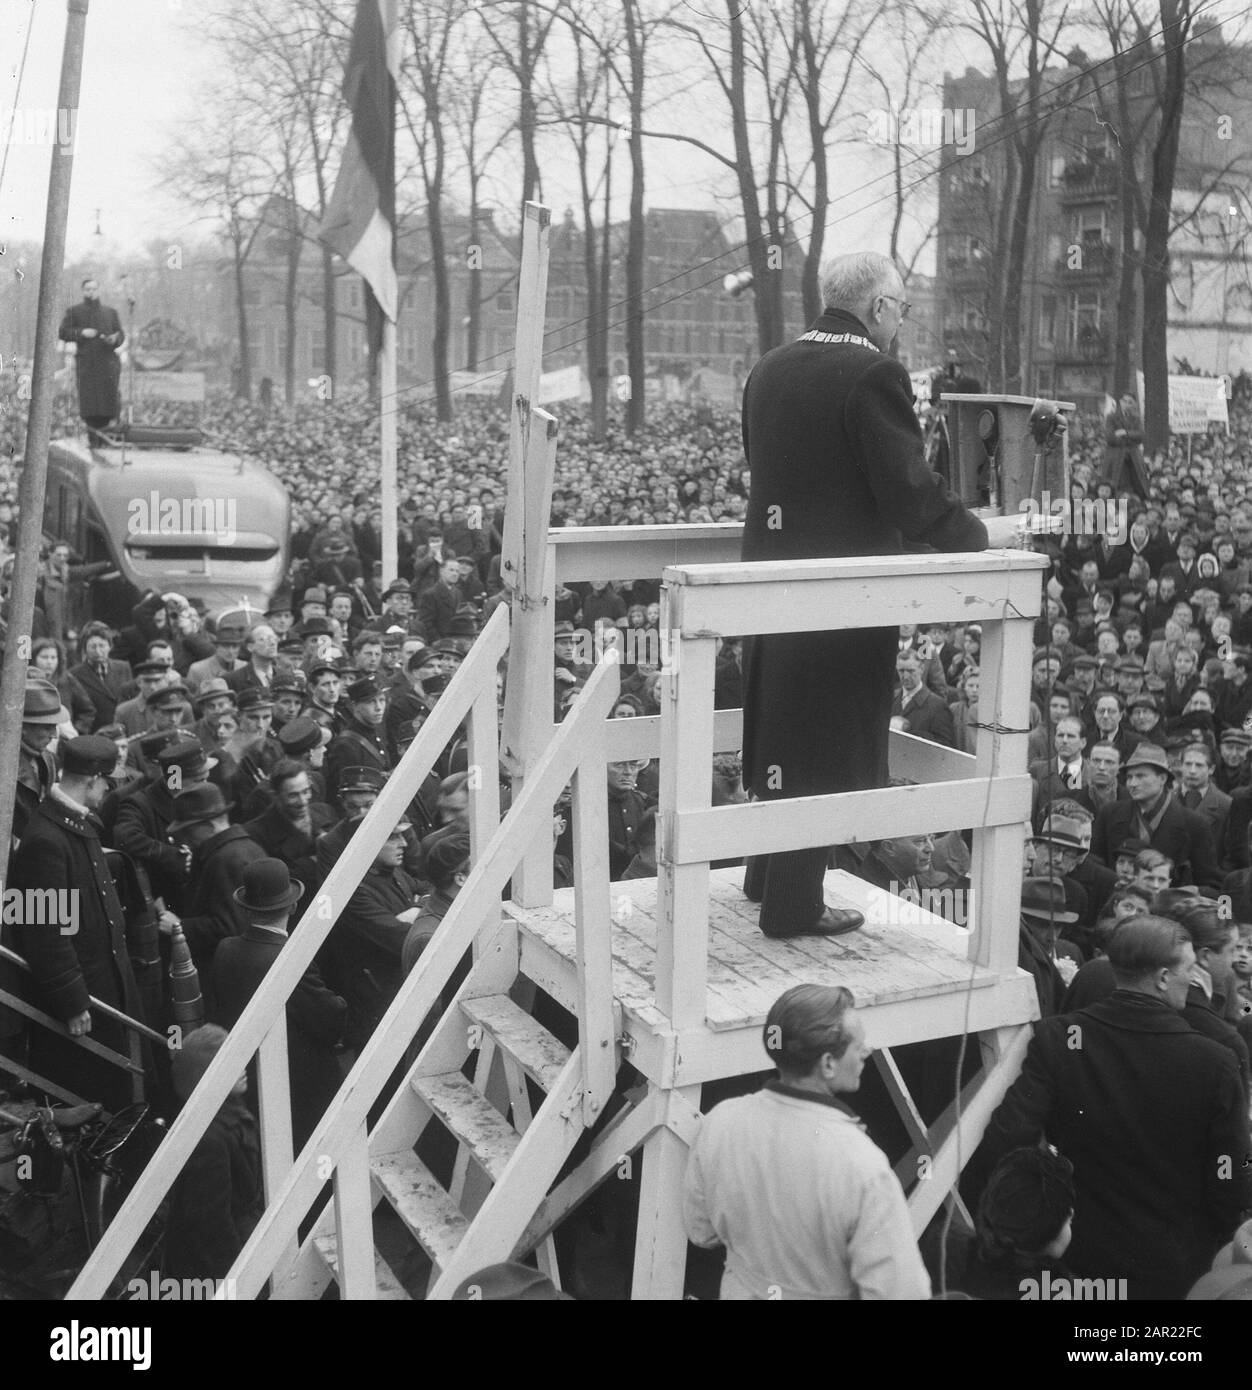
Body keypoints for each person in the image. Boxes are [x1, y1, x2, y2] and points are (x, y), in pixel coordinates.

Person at [739, 252, 994, 939]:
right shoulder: (873, 373)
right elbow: (907, 491)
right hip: (839, 595)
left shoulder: (770, 366)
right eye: (902, 307)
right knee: (825, 743)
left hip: (767, 587)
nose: (902, 320)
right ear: (879, 307)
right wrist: (973, 535)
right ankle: (793, 906)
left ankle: (765, 879)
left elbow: (765, 467)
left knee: (784, 734)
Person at [978, 915, 1252, 1300]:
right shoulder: (1216, 1061)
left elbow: (1007, 1138)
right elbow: (1231, 1177)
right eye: (1188, 969)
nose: (1192, 980)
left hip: (1078, 1260)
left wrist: (1039, 1225)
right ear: (1160, 977)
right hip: (1176, 1266)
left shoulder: (1060, 1038)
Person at [682, 983, 930, 1300]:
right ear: (827, 1064)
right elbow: (901, 1292)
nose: (867, 1050)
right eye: (859, 1045)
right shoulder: (862, 1164)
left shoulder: (720, 1120)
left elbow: (701, 1232)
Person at [4, 735, 150, 1111]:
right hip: (82, 1008)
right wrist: (71, 1001)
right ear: (93, 780)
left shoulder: (69, 826)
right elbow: (44, 934)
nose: (109, 790)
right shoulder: (46, 841)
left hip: (100, 992)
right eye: (108, 781)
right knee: (83, 1103)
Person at [211, 859, 347, 1150]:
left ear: (246, 908)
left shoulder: (225, 949)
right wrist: (340, 1001)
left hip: (248, 1080)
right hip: (298, 1086)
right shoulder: (290, 960)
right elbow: (329, 1021)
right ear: (293, 907)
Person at [162, 1024, 263, 1281]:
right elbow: (211, 1225)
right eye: (230, 1063)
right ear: (206, 1077)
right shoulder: (210, 1140)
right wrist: (237, 1282)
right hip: (216, 1268)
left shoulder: (228, 1112)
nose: (242, 1067)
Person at [58, 276, 125, 445]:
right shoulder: (75, 311)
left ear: (98, 290)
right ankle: (93, 440)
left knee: (108, 402)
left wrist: (114, 339)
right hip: (87, 365)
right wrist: (81, 333)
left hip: (107, 365)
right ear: (83, 291)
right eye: (87, 289)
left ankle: (107, 441)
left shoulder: (110, 312)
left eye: (94, 289)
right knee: (89, 405)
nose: (91, 292)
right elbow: (63, 333)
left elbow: (120, 334)